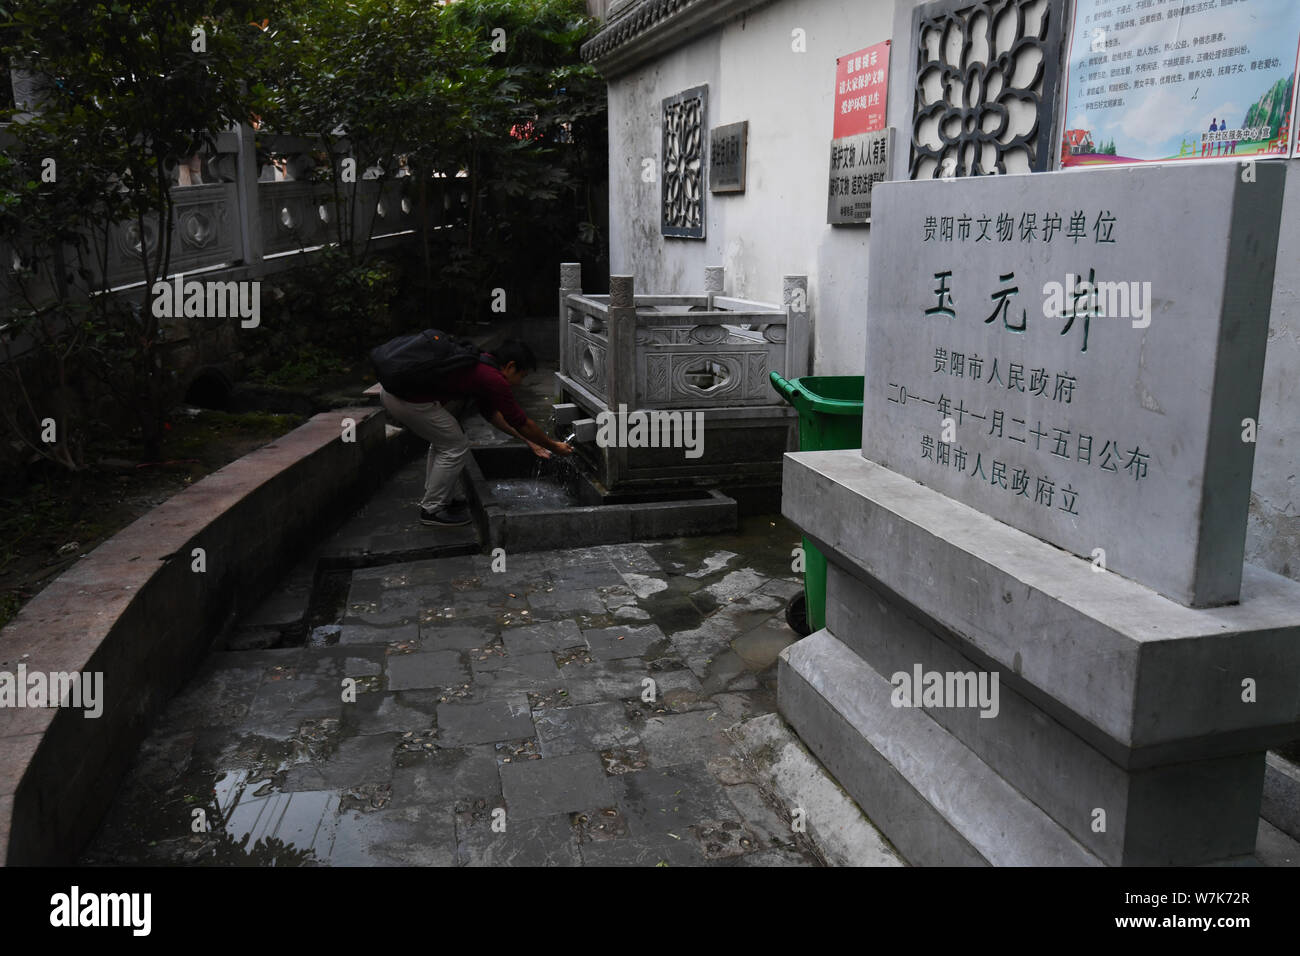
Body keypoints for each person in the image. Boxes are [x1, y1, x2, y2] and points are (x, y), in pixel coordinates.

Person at [379, 339, 573, 527]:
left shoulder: (482, 363)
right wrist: (553, 445)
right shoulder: (493, 378)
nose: (520, 383)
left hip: (396, 394)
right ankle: (432, 510)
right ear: (510, 366)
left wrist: (530, 441)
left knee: (446, 442)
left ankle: (440, 497)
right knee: (455, 444)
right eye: (522, 376)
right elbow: (521, 421)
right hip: (406, 400)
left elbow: (492, 415)